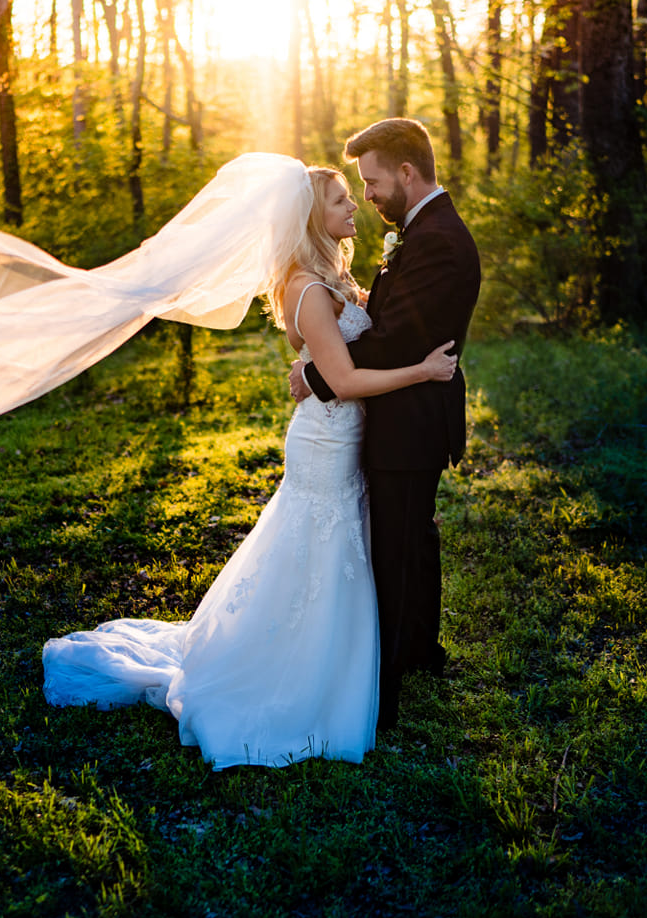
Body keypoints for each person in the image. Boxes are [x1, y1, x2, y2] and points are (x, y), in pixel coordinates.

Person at [41, 167, 458, 770]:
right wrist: (423, 371)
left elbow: (353, 347)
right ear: (311, 218)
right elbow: (342, 381)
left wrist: (331, 355)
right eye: (341, 200)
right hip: (326, 438)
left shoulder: (333, 278)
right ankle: (293, 668)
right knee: (319, 546)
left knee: (332, 546)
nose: (354, 207)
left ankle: (335, 656)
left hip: (348, 435)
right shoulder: (306, 289)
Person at [289, 119, 481, 731]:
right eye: (355, 189)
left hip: (411, 420)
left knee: (398, 546)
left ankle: (386, 683)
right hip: (402, 416)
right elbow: (388, 319)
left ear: (406, 171)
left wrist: (318, 374)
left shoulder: (437, 239)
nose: (366, 197)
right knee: (409, 538)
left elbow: (399, 337)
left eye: (371, 183)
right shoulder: (421, 231)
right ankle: (418, 651)